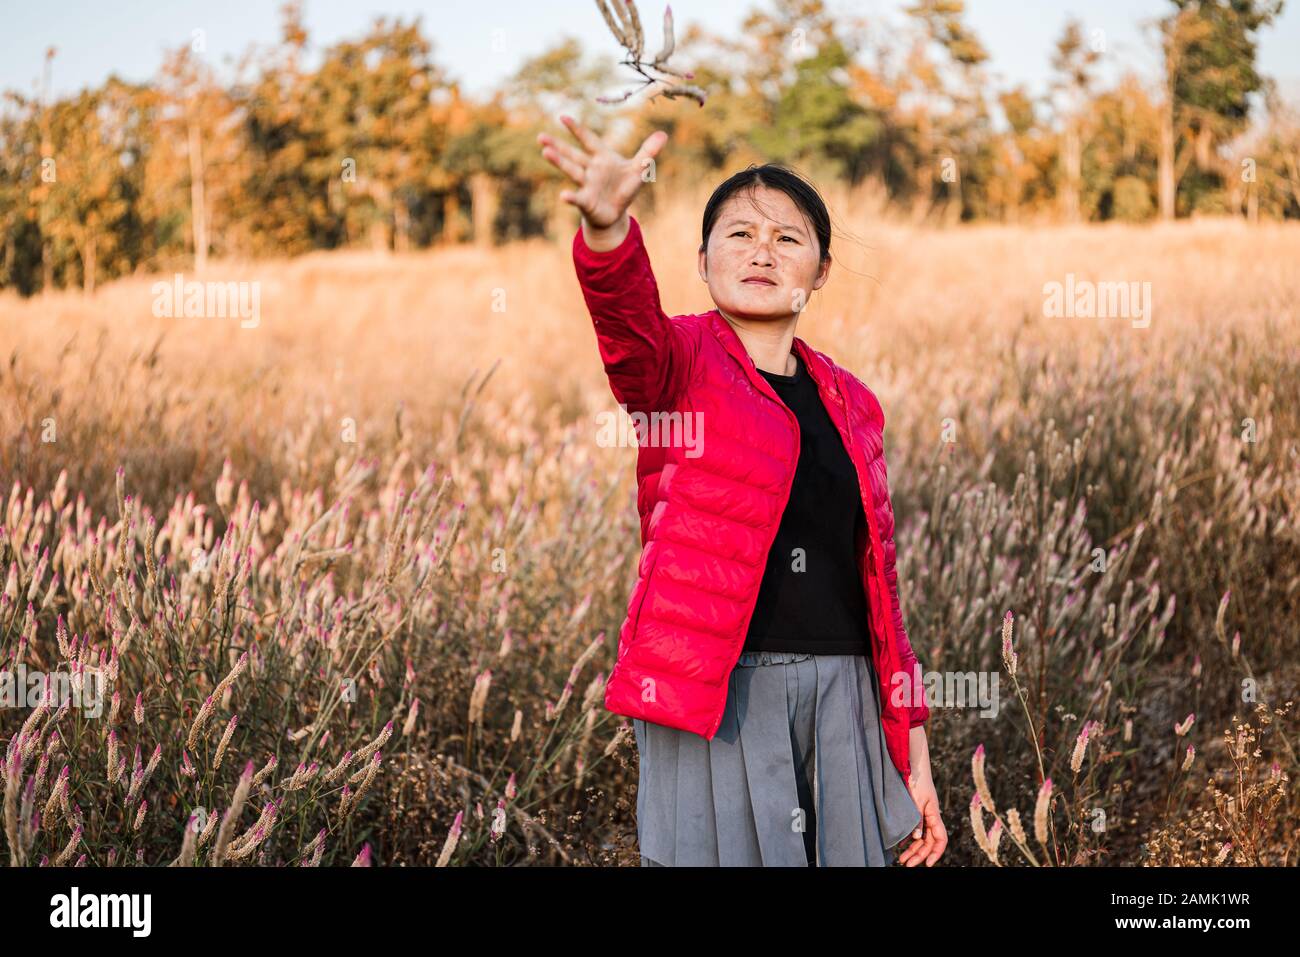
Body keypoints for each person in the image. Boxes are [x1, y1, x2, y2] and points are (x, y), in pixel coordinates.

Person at [538, 115, 947, 867]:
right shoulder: (678, 364)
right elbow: (625, 324)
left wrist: (914, 755)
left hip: (842, 699)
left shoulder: (853, 402)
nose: (763, 250)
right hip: (716, 693)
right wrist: (606, 230)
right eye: (738, 235)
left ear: (820, 270)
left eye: (789, 238)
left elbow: (883, 592)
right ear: (701, 260)